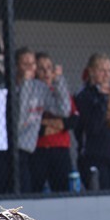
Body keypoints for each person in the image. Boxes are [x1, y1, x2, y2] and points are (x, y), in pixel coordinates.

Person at [13, 47, 72, 193]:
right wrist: (26, 84)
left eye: (32, 64)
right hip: (11, 150)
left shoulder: (40, 89)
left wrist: (59, 80)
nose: (30, 68)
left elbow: (64, 110)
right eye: (25, 64)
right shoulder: (12, 88)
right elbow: (20, 119)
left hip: (28, 149)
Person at [74, 53, 110, 191]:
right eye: (102, 70)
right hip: (93, 156)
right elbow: (92, 127)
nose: (106, 75)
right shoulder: (84, 95)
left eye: (109, 71)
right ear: (91, 71)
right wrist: (103, 104)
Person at [31, 52, 77, 193]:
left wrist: (48, 123)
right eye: (41, 68)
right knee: (33, 191)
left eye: (49, 68)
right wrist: (59, 124)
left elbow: (73, 119)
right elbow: (35, 124)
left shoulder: (60, 91)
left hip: (60, 149)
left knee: (63, 192)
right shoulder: (30, 92)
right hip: (38, 149)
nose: (46, 72)